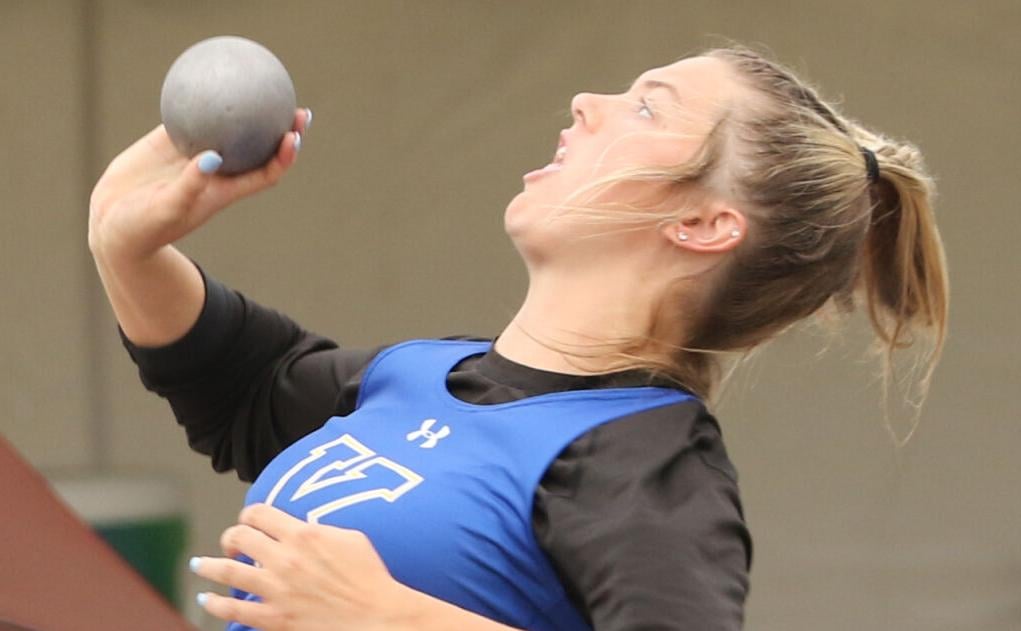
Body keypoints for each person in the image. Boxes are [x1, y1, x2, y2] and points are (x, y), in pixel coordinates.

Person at [89, 43, 948, 631]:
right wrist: (125, 243)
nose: (588, 102)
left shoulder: (641, 459)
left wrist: (395, 615)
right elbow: (246, 383)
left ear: (704, 222)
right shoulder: (419, 378)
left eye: (647, 107)